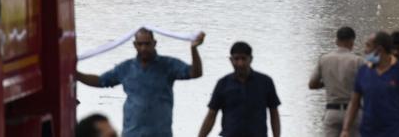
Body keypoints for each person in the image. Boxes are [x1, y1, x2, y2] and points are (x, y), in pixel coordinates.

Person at [75, 28, 205, 137]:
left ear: (154, 43)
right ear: (135, 45)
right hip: (132, 133)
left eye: (147, 44)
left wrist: (194, 49)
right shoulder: (126, 68)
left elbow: (195, 73)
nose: (143, 48)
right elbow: (100, 81)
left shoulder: (168, 65)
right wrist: (76, 75)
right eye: (140, 44)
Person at [341, 31, 399, 137]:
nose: (365, 50)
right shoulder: (363, 71)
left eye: (368, 46)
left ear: (379, 50)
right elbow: (354, 102)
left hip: (392, 132)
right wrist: (345, 129)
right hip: (367, 132)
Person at [199, 41, 281, 137]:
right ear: (231, 60)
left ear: (251, 59)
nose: (240, 63)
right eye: (236, 59)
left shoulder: (265, 82)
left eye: (243, 59)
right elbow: (212, 115)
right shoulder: (223, 84)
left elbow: (274, 113)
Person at [309, 26, 365, 137]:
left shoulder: (324, 59)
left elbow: (312, 84)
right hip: (353, 113)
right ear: (352, 41)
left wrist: (327, 83)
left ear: (336, 41)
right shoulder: (358, 60)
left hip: (332, 112)